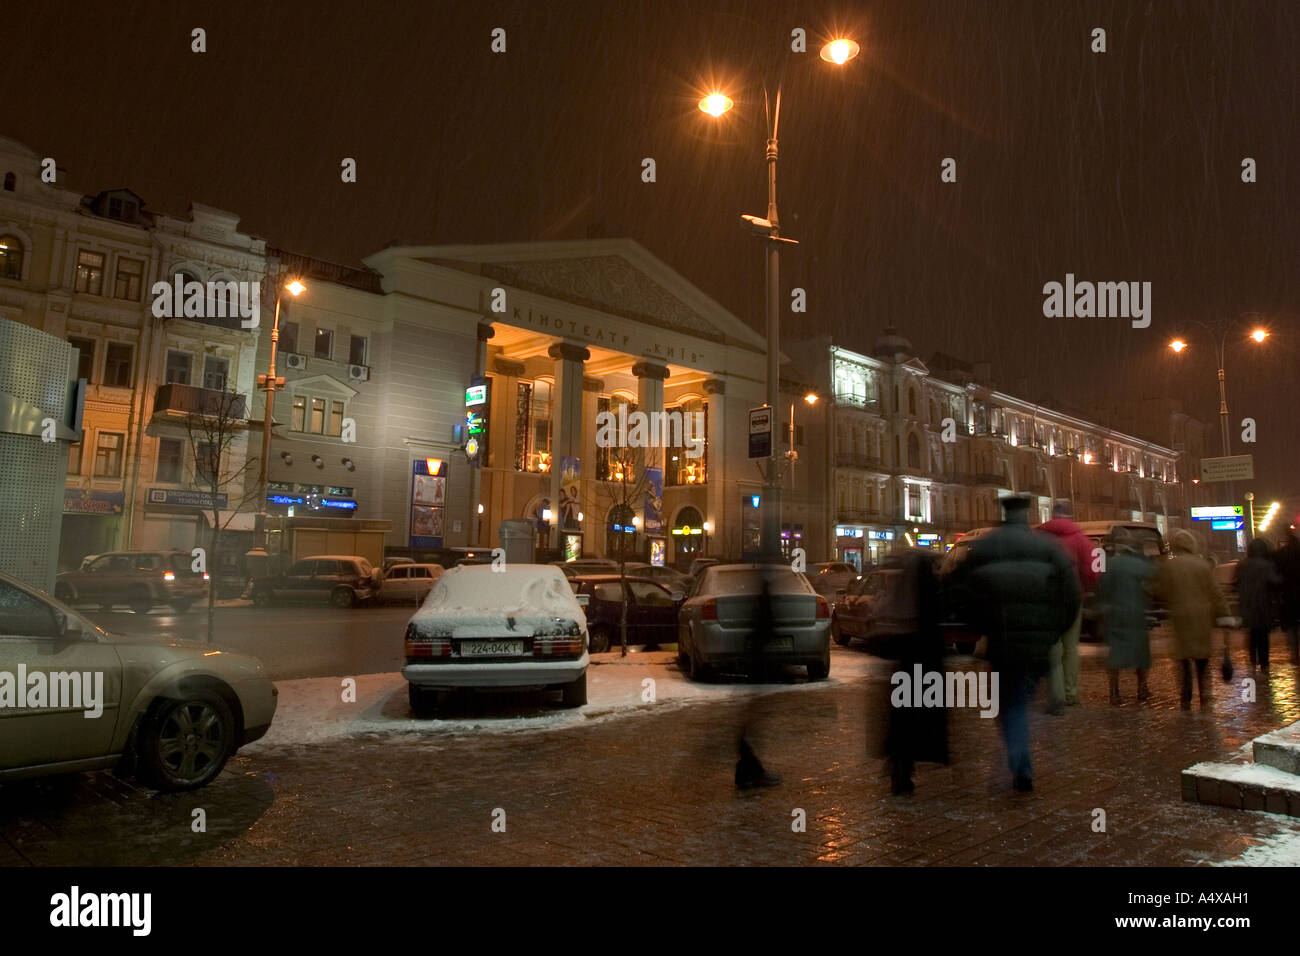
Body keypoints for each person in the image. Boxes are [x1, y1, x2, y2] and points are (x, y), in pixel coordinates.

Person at [945, 495, 1081, 792]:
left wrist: (979, 624)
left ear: (1005, 514)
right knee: (1021, 700)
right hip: (1038, 646)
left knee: (1011, 704)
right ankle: (1021, 759)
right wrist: (1053, 631)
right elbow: (1071, 596)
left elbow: (956, 589)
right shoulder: (1048, 548)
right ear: (1026, 514)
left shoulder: (986, 547)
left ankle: (1021, 765)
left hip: (1002, 643)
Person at [865, 550, 949, 794]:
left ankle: (900, 765)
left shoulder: (901, 587)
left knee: (902, 716)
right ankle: (904, 766)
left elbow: (881, 618)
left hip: (905, 661)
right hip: (925, 662)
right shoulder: (930, 589)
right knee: (918, 715)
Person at [1155, 530, 1228, 710]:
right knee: (1202, 661)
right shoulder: (1202, 565)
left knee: (1184, 661)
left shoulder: (1170, 566)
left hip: (1181, 618)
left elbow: (1160, 590)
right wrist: (1225, 614)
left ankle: (1186, 698)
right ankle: (1204, 696)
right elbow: (1215, 592)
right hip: (1202, 618)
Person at [1037, 502, 1100, 712]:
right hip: (1073, 598)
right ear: (1068, 516)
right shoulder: (1080, 538)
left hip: (1047, 600)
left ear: (1052, 516)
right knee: (1071, 648)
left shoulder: (1039, 536)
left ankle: (1056, 695)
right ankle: (1071, 692)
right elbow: (1093, 569)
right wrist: (1084, 586)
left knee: (1053, 648)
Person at [1095, 528, 1153, 704]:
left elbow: (1102, 590)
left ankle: (1114, 692)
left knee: (1115, 654)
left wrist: (1101, 611)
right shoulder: (1141, 565)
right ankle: (1142, 688)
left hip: (1116, 615)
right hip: (1137, 615)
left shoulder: (1110, 565)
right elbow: (1150, 589)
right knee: (1141, 653)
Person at [1237, 538, 1281, 670]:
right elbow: (1275, 581)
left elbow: (1237, 583)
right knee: (1263, 635)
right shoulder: (1266, 565)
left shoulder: (1242, 565)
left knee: (1252, 634)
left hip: (1247, 605)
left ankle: (1252, 660)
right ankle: (1264, 663)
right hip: (1263, 604)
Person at [1272, 531, 1300, 664]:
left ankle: (1294, 654)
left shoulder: (1282, 555)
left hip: (1287, 597)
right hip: (1295, 595)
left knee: (1291, 626)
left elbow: (1277, 576)